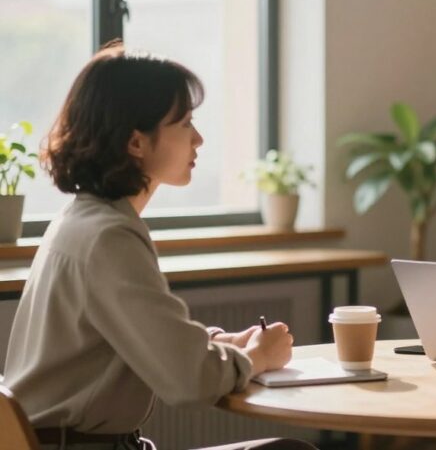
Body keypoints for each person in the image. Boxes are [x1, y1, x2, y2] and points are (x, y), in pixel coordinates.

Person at [2, 42, 314, 450]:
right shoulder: (109, 238)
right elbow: (189, 381)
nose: (198, 139)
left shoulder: (81, 220)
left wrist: (220, 344)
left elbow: (142, 338)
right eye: (184, 123)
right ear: (136, 143)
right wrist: (258, 357)